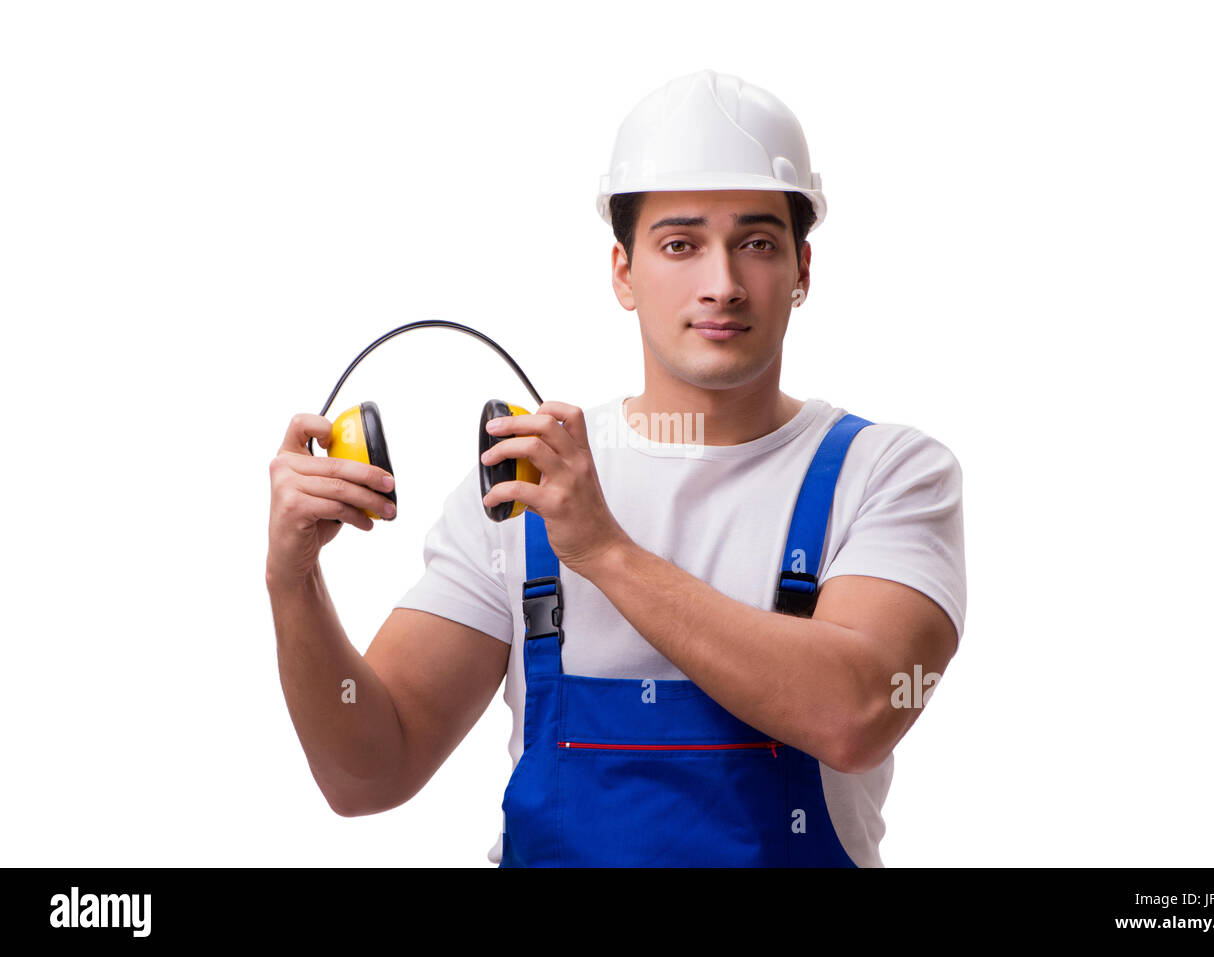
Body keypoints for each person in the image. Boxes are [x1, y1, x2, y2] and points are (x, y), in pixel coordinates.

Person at [266, 69, 965, 867]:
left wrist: (605, 552)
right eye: (680, 243)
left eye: (758, 243)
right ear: (623, 271)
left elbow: (860, 710)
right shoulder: (519, 483)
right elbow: (369, 771)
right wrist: (294, 583)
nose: (722, 284)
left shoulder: (887, 474)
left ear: (803, 268)